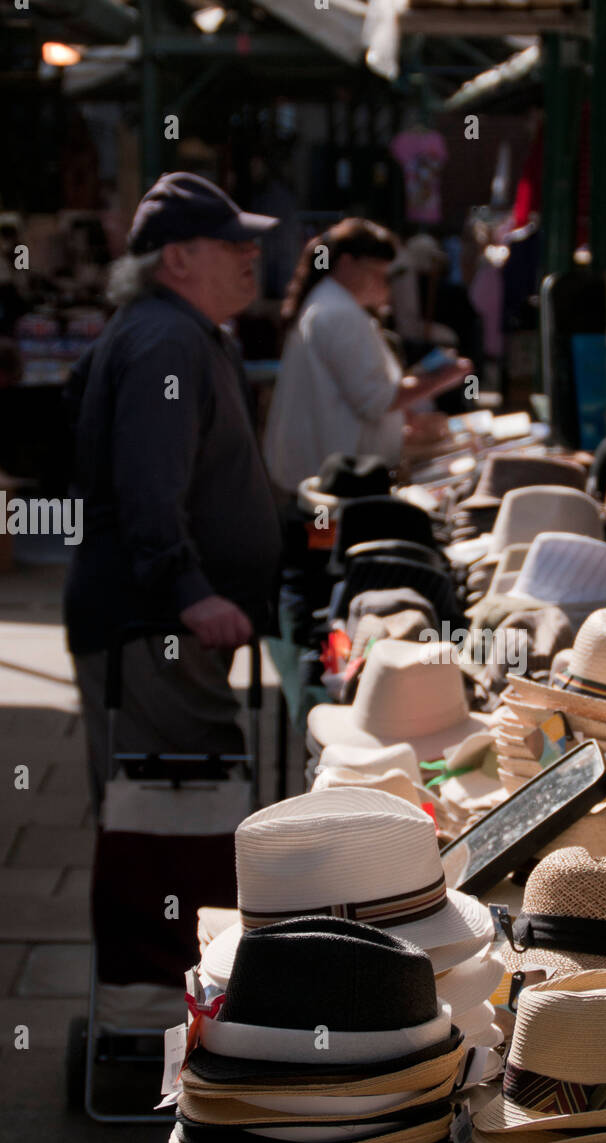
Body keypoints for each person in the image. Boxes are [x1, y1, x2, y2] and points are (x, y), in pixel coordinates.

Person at [65, 172, 283, 811]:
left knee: (180, 821)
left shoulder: (185, 331)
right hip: (154, 631)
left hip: (166, 630)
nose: (251, 254)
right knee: (171, 826)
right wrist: (188, 592)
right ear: (177, 258)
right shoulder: (166, 339)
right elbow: (146, 486)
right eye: (231, 243)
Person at [263, 218, 471, 506]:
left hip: (328, 478)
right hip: (333, 486)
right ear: (347, 264)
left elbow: (362, 391)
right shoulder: (339, 313)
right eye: (379, 275)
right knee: (323, 546)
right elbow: (377, 401)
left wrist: (404, 414)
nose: (385, 287)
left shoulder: (333, 305)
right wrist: (445, 377)